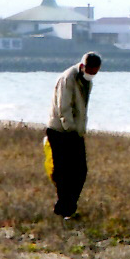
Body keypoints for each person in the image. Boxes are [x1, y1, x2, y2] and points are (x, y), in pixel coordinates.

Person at [45, 51, 101, 219]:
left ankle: (68, 207)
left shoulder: (86, 82)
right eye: (90, 72)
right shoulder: (68, 78)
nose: (92, 75)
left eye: (95, 73)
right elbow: (64, 108)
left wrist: (80, 130)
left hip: (75, 132)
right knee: (63, 172)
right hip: (60, 131)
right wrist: (71, 129)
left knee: (80, 171)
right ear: (83, 66)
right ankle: (65, 210)